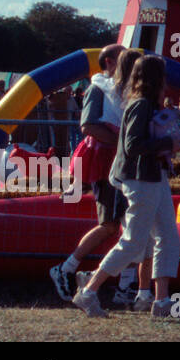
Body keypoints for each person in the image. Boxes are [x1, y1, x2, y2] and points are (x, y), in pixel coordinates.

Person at [73, 55, 180, 318]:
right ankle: (89, 291)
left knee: (167, 236)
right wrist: (168, 144)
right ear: (157, 78)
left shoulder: (142, 105)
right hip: (142, 179)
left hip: (153, 177)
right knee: (134, 241)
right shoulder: (142, 106)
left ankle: (162, 300)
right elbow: (133, 145)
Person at [51, 45, 138, 303]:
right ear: (111, 63)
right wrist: (121, 140)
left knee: (130, 224)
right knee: (110, 223)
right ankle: (66, 268)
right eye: (124, 60)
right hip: (106, 161)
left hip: (122, 160)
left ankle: (126, 285)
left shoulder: (122, 91)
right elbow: (88, 125)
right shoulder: (98, 88)